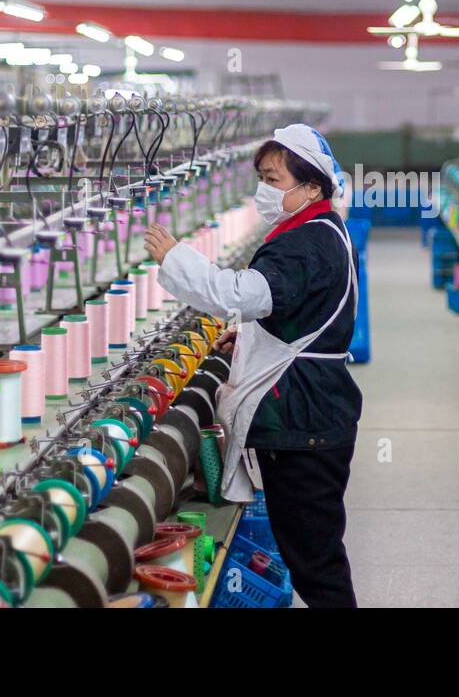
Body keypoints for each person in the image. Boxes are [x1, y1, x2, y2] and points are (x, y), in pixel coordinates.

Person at [144, 124, 360, 608]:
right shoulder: (321, 229)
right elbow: (309, 311)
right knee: (311, 549)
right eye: (262, 177)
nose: (265, 189)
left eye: (275, 179)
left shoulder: (304, 243)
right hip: (314, 411)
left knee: (315, 560)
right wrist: (254, 335)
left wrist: (177, 258)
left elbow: (239, 294)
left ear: (312, 187)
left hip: (304, 418)